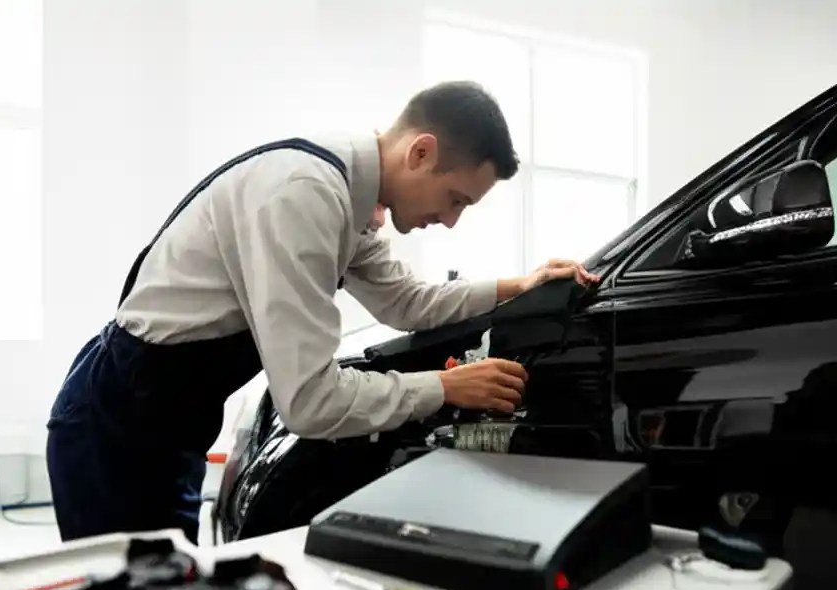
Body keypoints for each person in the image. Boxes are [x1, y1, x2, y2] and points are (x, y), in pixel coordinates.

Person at [45, 81, 600, 543]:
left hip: (167, 423)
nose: (451, 220)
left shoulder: (347, 196)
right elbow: (310, 403)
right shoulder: (304, 194)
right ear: (421, 152)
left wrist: (518, 287)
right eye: (456, 199)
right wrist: (448, 388)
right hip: (115, 425)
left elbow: (408, 303)